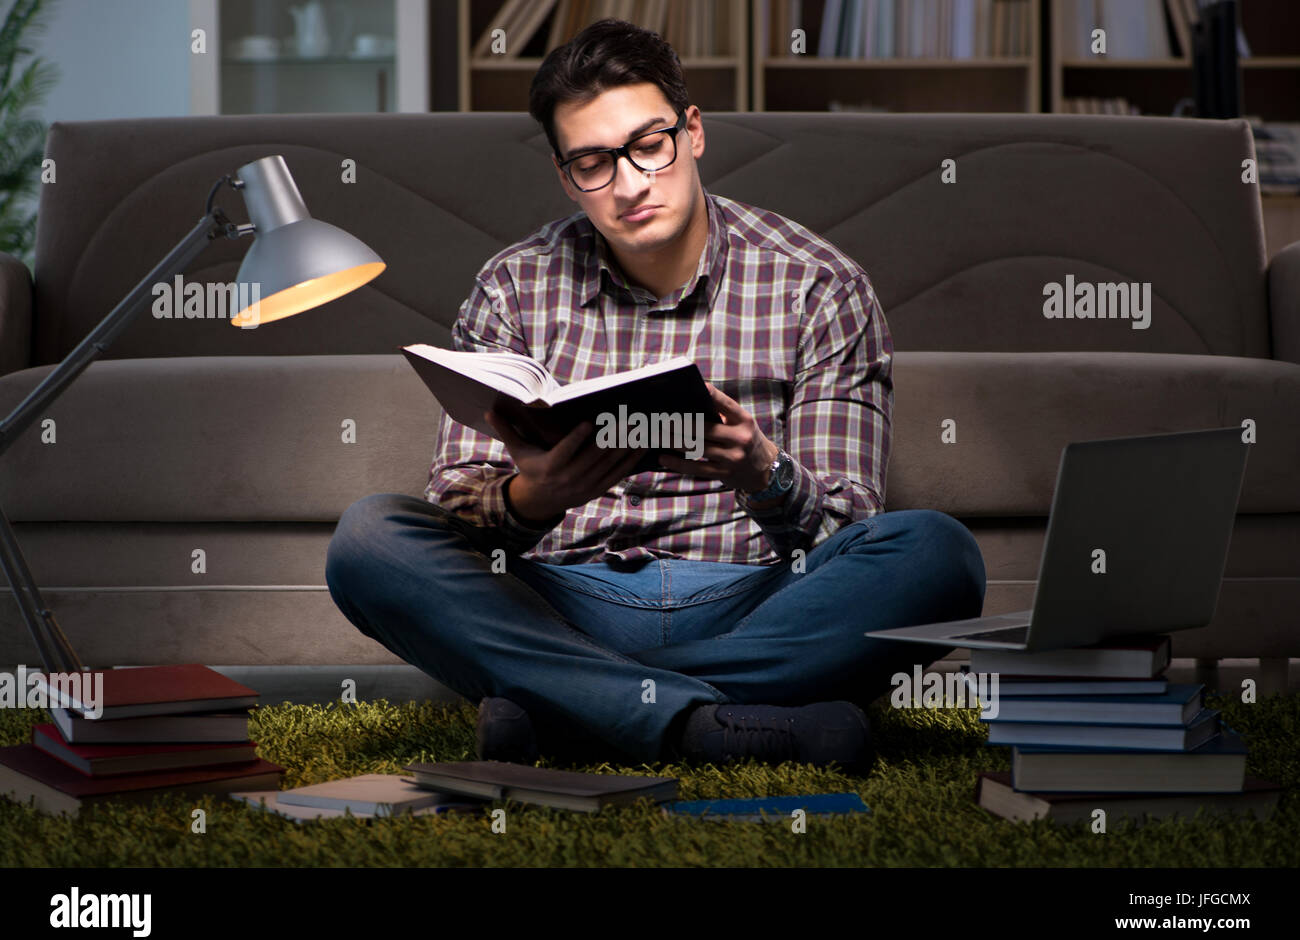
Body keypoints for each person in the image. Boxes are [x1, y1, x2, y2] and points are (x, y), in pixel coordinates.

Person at [325, 18, 986, 773]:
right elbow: (455, 510)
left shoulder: (821, 285)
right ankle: (711, 723)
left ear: (693, 131)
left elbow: (843, 532)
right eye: (594, 163)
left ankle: (568, 710)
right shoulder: (513, 284)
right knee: (368, 539)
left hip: (759, 600)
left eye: (649, 145)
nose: (631, 183)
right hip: (562, 605)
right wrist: (533, 499)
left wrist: (763, 473)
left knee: (939, 554)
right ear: (565, 174)